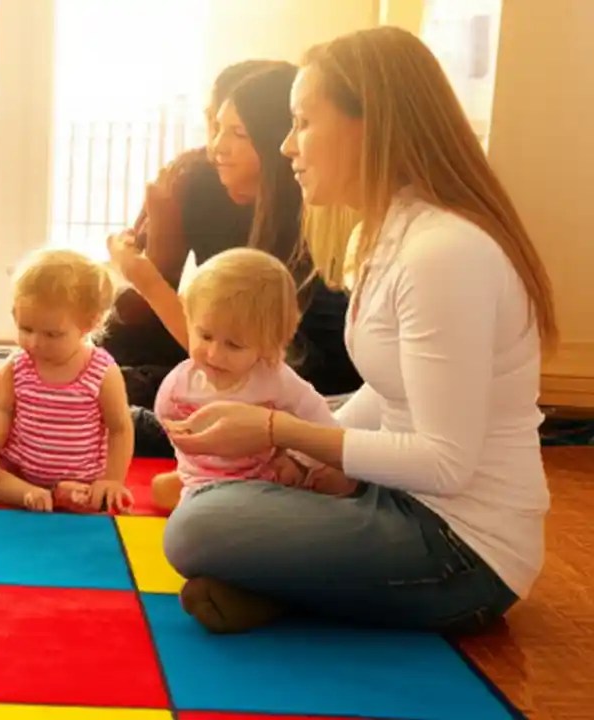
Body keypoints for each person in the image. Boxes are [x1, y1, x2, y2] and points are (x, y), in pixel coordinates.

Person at [157, 27, 557, 635]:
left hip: (462, 547)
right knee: (222, 493)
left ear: (369, 125)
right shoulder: (387, 234)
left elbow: (446, 463)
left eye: (302, 122)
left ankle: (289, 581)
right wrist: (302, 444)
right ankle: (289, 584)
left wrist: (276, 429)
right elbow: (387, 393)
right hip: (392, 498)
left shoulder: (444, 253)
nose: (288, 146)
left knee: (196, 526)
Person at [104, 62, 360, 454]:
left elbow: (244, 359)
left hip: (298, 388)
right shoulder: (206, 185)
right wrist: (157, 235)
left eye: (237, 133)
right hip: (231, 360)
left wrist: (144, 276)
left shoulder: (310, 221)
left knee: (99, 401)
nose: (215, 147)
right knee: (90, 368)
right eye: (215, 127)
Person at [149, 248, 353, 511]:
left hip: (262, 483)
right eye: (205, 336)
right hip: (200, 482)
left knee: (335, 481)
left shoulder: (275, 380)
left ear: (268, 345)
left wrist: (297, 461)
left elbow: (323, 425)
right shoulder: (179, 383)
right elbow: (166, 418)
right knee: (166, 495)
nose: (214, 354)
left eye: (233, 345)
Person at [0, 249, 134, 513]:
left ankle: (64, 494)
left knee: (99, 500)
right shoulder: (18, 365)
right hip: (19, 469)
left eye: (52, 334)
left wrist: (111, 480)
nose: (35, 343)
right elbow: (1, 410)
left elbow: (120, 428)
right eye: (26, 329)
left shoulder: (102, 371)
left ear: (89, 324)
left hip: (82, 477)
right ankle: (30, 494)